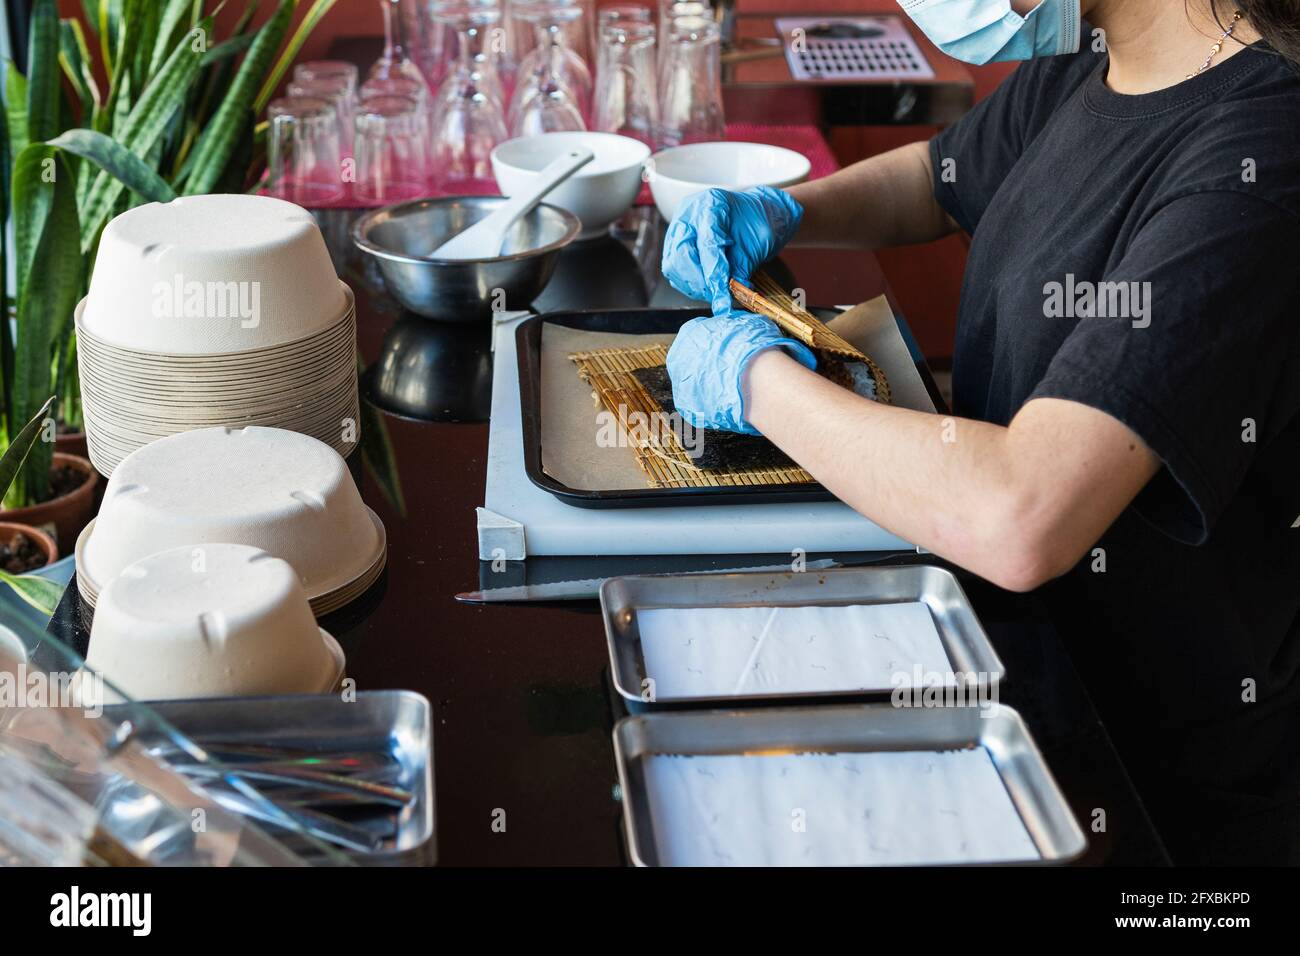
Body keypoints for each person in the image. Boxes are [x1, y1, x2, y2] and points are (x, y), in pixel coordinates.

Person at [660, 0, 1300, 865]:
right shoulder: (1100, 58)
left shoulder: (1260, 159)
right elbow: (939, 175)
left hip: (1168, 788)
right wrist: (785, 212)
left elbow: (1022, 514)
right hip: (1024, 679)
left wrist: (757, 381)